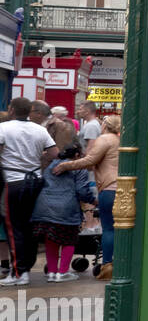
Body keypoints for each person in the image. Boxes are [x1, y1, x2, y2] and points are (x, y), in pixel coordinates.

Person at [0, 98, 58, 287]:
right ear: (29, 111)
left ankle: (18, 273)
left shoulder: (4, 128)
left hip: (13, 182)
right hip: (35, 181)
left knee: (13, 227)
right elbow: (54, 153)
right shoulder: (40, 130)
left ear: (12, 110)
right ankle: (26, 268)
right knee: (29, 227)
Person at [54, 114, 120, 280]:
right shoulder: (120, 140)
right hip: (122, 188)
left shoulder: (105, 139)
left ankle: (107, 266)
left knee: (109, 229)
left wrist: (65, 165)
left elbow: (90, 160)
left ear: (106, 125)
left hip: (109, 188)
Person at [31, 120, 96, 283]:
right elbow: (82, 190)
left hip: (43, 208)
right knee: (68, 239)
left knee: (51, 240)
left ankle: (52, 273)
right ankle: (63, 272)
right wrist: (93, 200)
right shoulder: (77, 167)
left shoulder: (52, 164)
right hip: (65, 209)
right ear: (76, 156)